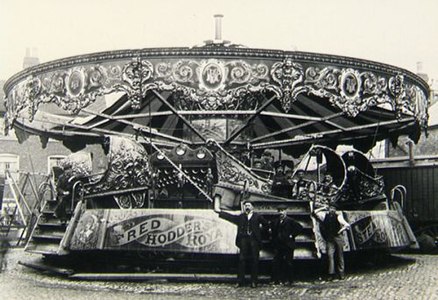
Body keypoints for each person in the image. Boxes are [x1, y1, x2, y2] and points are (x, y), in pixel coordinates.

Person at [217, 201, 269, 288]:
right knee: (241, 260)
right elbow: (231, 217)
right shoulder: (241, 217)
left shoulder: (257, 216)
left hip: (254, 240)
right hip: (243, 240)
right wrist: (220, 212)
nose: (247, 207)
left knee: (254, 260)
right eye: (245, 206)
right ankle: (240, 281)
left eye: (248, 205)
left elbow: (266, 225)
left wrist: (259, 232)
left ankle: (254, 281)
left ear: (252, 207)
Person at [313, 205, 350, 280]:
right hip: (329, 238)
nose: (332, 210)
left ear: (335, 210)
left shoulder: (338, 216)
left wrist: (340, 231)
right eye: (331, 208)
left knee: (340, 255)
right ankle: (331, 273)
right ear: (328, 209)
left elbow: (347, 225)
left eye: (333, 209)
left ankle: (341, 273)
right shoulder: (324, 215)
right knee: (330, 255)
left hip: (338, 237)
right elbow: (314, 212)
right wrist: (323, 208)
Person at [271, 205, 303, 284]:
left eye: (282, 210)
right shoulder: (276, 221)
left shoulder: (290, 220)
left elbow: (300, 227)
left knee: (288, 262)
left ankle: (290, 280)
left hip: (288, 244)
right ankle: (278, 280)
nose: (281, 212)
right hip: (279, 245)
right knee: (278, 262)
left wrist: (292, 235)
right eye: (279, 211)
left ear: (286, 212)